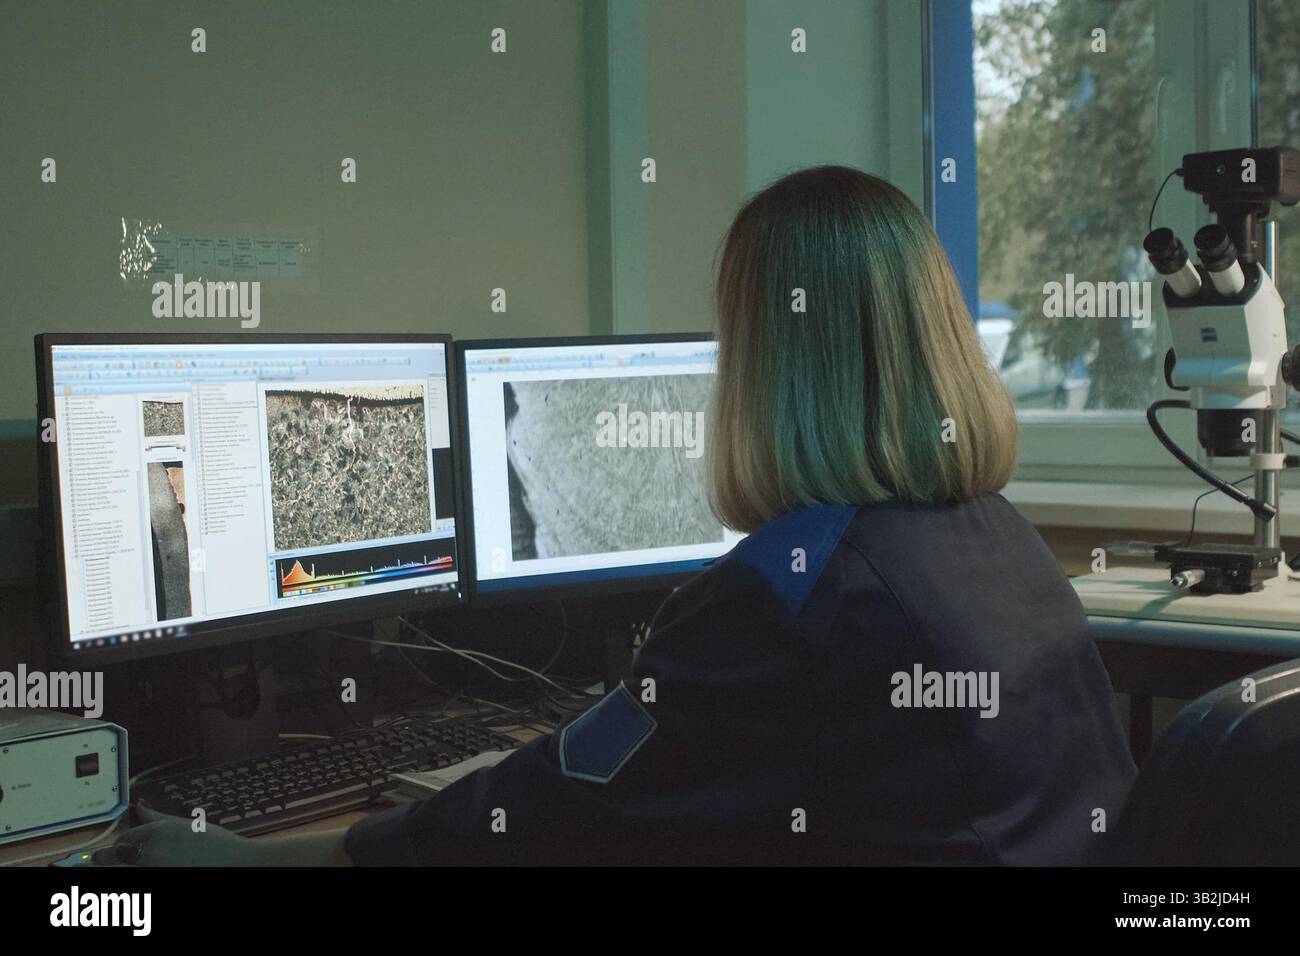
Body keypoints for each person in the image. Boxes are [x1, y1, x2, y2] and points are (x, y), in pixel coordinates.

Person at [106, 166, 1135, 866]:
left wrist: (267, 859)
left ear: (772, 363)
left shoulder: (794, 591)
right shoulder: (994, 537)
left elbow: (554, 807)